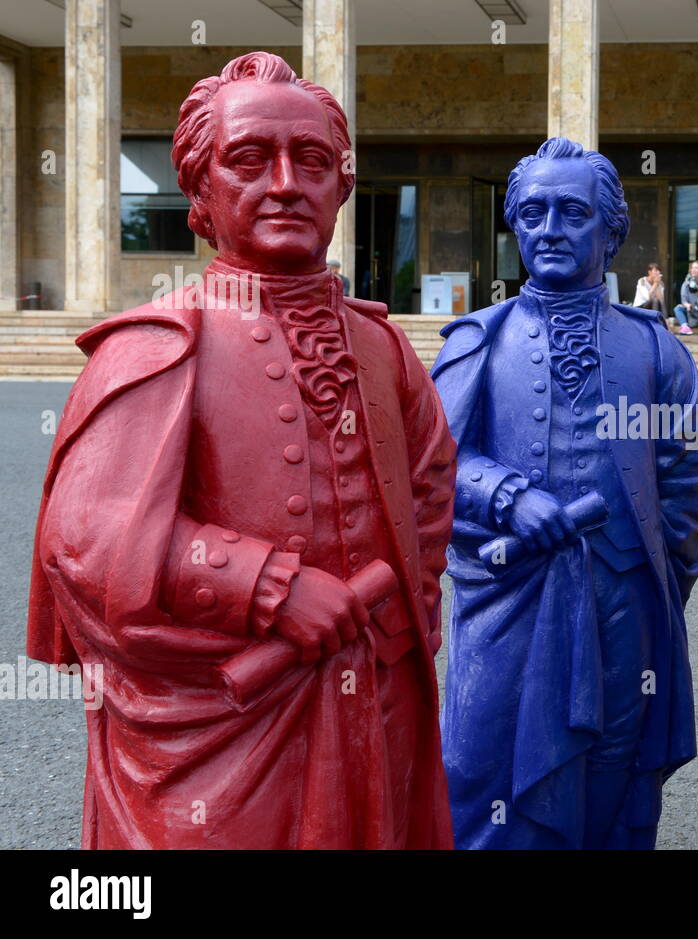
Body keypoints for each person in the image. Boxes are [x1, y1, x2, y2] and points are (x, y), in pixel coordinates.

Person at [25, 52, 457, 849]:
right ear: (199, 191)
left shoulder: (382, 345)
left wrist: (404, 618)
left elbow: (430, 481)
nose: (287, 182)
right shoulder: (157, 344)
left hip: (374, 704)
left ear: (341, 186)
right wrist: (267, 588)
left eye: (314, 160)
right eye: (250, 159)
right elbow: (85, 537)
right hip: (219, 732)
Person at [432, 137, 698, 850]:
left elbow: (696, 451)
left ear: (611, 230)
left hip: (622, 607)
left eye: (573, 212)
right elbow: (433, 456)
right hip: (510, 603)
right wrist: (506, 498)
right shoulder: (480, 338)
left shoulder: (653, 345)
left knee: (615, 779)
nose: (550, 229)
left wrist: (655, 563)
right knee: (483, 769)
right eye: (532, 214)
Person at [632, 261, 668, 327]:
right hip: (640, 306)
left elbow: (661, 300)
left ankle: (664, 321)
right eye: (656, 271)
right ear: (649, 272)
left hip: (653, 306)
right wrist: (655, 284)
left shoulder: (661, 283)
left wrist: (658, 285)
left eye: (659, 271)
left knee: (657, 300)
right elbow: (647, 297)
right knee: (654, 300)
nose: (658, 273)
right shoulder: (642, 281)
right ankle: (655, 322)